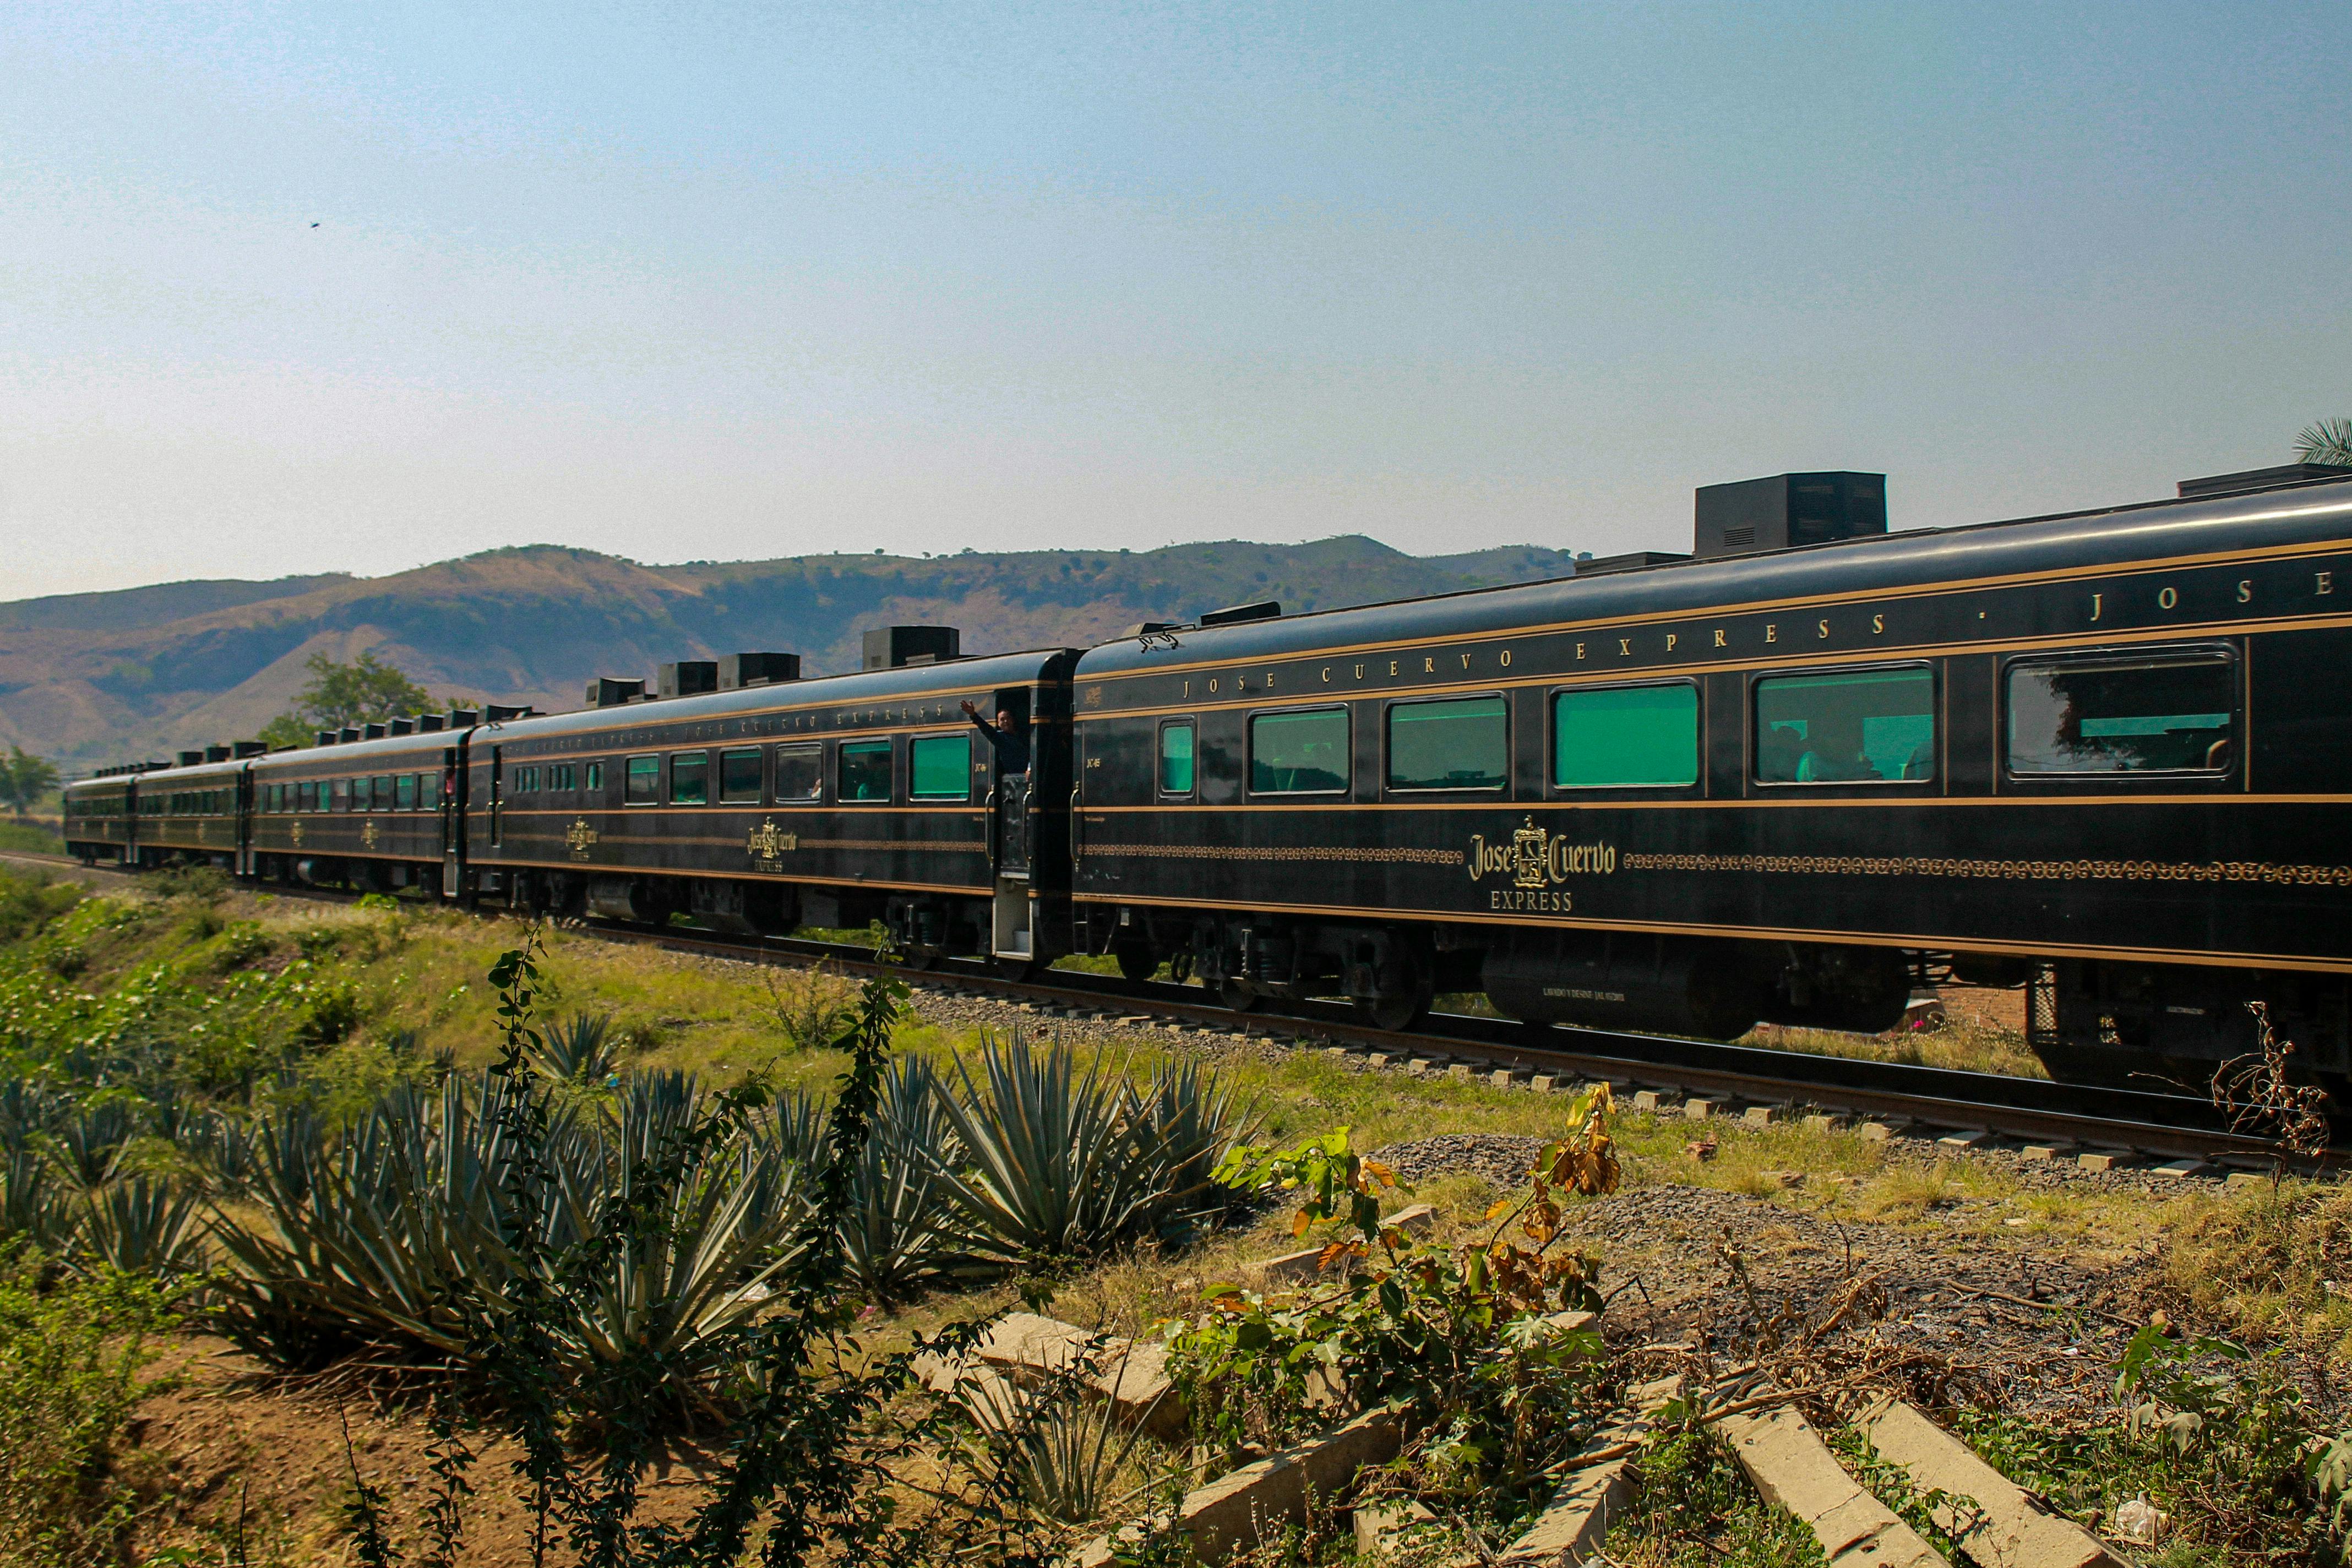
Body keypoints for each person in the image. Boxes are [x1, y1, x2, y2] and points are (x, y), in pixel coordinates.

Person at [960, 699, 1031, 775]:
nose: (1006, 722)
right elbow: (987, 730)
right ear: (998, 723)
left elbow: (1033, 753)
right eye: (1002, 720)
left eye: (1008, 718)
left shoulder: (1024, 737)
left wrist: (1030, 768)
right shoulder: (1001, 738)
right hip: (1014, 779)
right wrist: (973, 715)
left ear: (1013, 720)